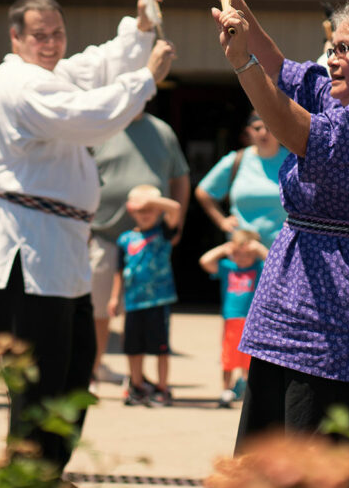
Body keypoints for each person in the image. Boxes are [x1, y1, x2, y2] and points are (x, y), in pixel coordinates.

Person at [211, 0, 349, 448]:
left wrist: (241, 63)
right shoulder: (340, 97)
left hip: (340, 327)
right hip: (291, 311)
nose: (331, 59)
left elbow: (296, 130)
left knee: (315, 472)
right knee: (268, 466)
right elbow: (282, 69)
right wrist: (235, 0)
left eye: (345, 49)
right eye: (332, 47)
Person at [0, 0, 175, 476]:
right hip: (28, 247)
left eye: (57, 33)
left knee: (73, 368)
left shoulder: (47, 74)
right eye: (39, 35)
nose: (50, 44)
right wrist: (147, 77)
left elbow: (96, 66)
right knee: (39, 380)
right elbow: (90, 117)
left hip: (59, 247)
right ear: (15, 37)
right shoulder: (20, 84)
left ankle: (48, 478)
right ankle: (25, 487)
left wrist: (140, 27)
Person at [90, 110, 190, 386]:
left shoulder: (162, 130)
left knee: (144, 315)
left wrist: (176, 225)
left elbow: (180, 178)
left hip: (153, 242)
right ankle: (94, 368)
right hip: (105, 234)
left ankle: (138, 379)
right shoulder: (100, 124)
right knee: (101, 309)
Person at [108, 185, 182, 406]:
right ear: (132, 211)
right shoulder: (125, 239)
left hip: (158, 300)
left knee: (160, 348)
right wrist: (115, 297)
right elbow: (119, 271)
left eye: (150, 209)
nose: (146, 213)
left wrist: (151, 202)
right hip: (133, 302)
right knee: (133, 348)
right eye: (141, 210)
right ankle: (137, 385)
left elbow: (175, 208)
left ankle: (162, 387)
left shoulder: (163, 232)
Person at [194, 112, 290, 248]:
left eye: (269, 128)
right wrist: (222, 221)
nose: (263, 133)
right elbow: (203, 192)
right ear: (249, 131)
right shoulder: (236, 159)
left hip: (281, 250)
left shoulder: (292, 161)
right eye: (257, 128)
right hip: (242, 254)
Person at [199, 228, 268, 407]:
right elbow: (205, 261)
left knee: (249, 359)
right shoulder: (228, 268)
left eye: (246, 254)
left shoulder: (259, 268)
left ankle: (246, 389)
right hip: (231, 319)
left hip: (252, 321)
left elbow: (273, 263)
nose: (242, 258)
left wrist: (259, 248)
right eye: (237, 253)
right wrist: (224, 249)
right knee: (228, 358)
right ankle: (226, 390)